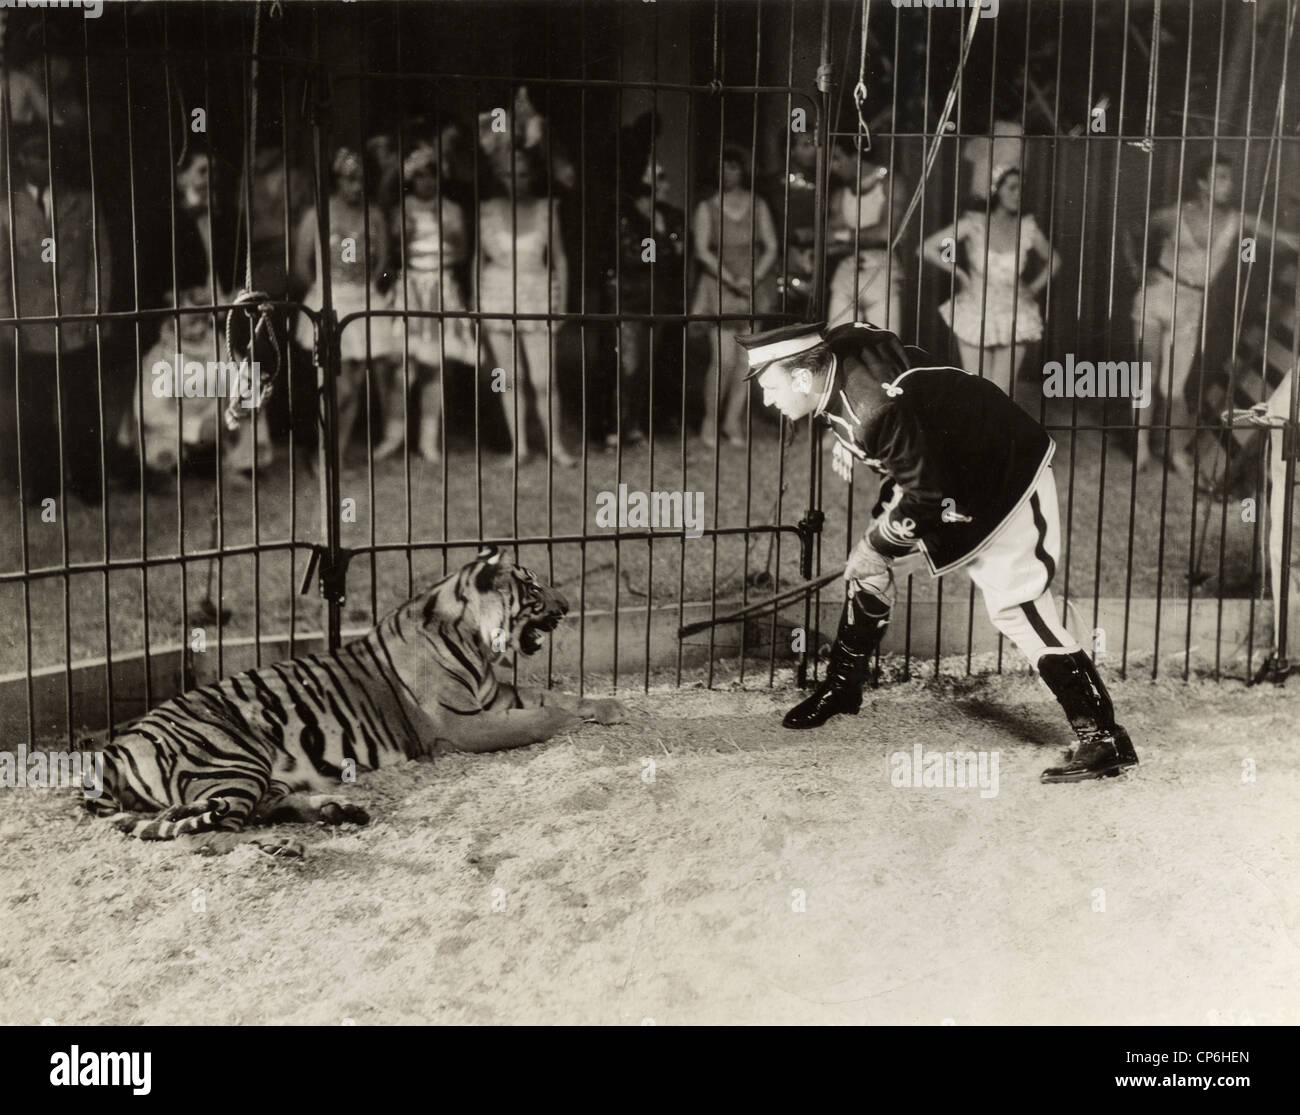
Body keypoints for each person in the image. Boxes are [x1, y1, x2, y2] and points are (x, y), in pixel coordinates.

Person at [736, 319, 1138, 783]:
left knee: (1017, 608)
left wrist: (874, 541)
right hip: (942, 474)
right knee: (872, 569)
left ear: (804, 376)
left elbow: (925, 494)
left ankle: (1105, 739)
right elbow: (868, 332)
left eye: (770, 386)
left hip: (999, 479)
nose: (766, 400)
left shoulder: (874, 411)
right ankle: (843, 687)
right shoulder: (838, 353)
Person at [1127, 154, 1300, 475]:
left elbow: (1280, 238)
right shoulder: (1172, 215)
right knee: (1145, 378)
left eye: (1229, 178)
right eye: (1220, 178)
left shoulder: (1236, 221)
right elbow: (1133, 232)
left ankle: (1173, 450)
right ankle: (1139, 448)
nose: (1228, 185)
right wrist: (1139, 270)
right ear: (1202, 183)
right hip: (1156, 296)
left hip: (1191, 306)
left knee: (1174, 387)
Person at [0, 123, 112, 506]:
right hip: (30, 328)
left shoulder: (83, 202)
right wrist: (9, 321)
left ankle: (88, 485)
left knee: (83, 408)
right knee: (35, 414)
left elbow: (101, 261)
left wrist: (93, 309)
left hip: (77, 324)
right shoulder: (6, 211)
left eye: (47, 154)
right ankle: (43, 489)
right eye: (33, 154)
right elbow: (1, 274)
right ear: (20, 159)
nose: (41, 162)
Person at [476, 135, 574, 467]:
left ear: (531, 175)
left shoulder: (547, 209)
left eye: (521, 174)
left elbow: (560, 257)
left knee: (543, 378)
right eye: (507, 174)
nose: (515, 182)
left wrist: (562, 305)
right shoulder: (486, 211)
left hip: (537, 292)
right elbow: (477, 259)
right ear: (498, 176)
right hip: (497, 292)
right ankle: (519, 447)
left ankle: (555, 445)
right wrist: (477, 303)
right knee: (508, 376)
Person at [293, 146, 395, 457]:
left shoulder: (374, 215)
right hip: (331, 298)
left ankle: (335, 452)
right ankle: (321, 447)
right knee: (340, 385)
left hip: (364, 298)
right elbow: (300, 264)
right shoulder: (317, 214)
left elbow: (384, 263)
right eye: (350, 179)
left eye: (362, 180)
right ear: (336, 179)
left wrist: (369, 285)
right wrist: (323, 294)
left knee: (356, 381)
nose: (356, 186)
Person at [922, 166, 1058, 396]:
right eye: (1012, 188)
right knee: (978, 389)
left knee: (1003, 393)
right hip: (976, 311)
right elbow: (927, 247)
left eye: (1021, 189)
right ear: (996, 190)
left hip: (1015, 314)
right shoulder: (974, 223)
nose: (1018, 194)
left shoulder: (1027, 227)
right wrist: (959, 273)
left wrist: (1033, 288)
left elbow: (1054, 260)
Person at [383, 142, 474, 463]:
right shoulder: (403, 208)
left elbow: (462, 253)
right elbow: (395, 253)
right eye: (419, 176)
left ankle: (428, 440)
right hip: (411, 286)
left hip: (440, 286)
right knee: (402, 369)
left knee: (434, 368)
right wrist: (404, 231)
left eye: (431, 176)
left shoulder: (452, 209)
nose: (426, 183)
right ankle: (393, 437)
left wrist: (453, 234)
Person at [602, 113, 686, 448]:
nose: (663, 185)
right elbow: (638, 256)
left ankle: (635, 425)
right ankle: (615, 428)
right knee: (627, 364)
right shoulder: (629, 216)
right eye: (656, 179)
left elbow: (678, 254)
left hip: (656, 296)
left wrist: (663, 242)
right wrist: (662, 241)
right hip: (628, 295)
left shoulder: (671, 216)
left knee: (647, 366)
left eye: (664, 178)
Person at [690, 145, 778, 446]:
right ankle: (709, 423)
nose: (728, 173)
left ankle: (732, 422)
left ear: (743, 170)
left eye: (734, 166)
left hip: (752, 287)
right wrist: (730, 278)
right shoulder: (707, 207)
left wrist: (752, 278)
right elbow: (702, 250)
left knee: (746, 362)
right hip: (720, 286)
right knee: (723, 361)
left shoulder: (758, 205)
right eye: (722, 167)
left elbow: (771, 245)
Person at [826, 146, 907, 333]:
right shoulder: (840, 194)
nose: (832, 166)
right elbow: (828, 238)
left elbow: (885, 233)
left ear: (856, 156)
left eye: (837, 158)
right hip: (847, 272)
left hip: (881, 273)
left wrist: (843, 236)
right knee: (838, 343)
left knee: (884, 348)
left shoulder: (890, 184)